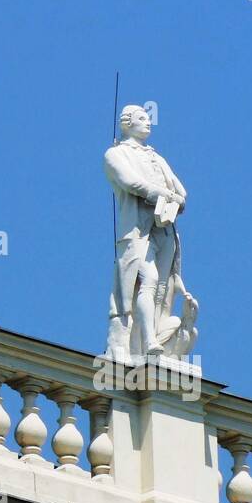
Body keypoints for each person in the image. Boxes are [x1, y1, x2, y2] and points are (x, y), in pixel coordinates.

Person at [104, 105, 191, 359]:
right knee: (147, 279)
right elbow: (130, 182)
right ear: (127, 123)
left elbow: (181, 191)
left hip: (164, 230)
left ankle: (147, 343)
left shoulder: (157, 157)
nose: (148, 122)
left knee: (162, 289)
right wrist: (164, 194)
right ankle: (148, 341)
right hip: (136, 231)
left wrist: (176, 199)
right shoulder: (115, 154)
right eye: (142, 118)